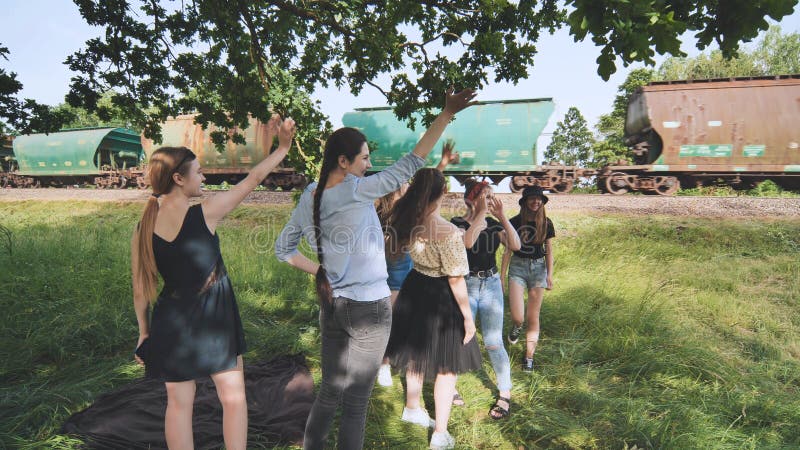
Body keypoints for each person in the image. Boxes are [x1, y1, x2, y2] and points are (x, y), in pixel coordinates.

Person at [274, 89, 477, 450]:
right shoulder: (356, 191)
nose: (369, 164)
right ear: (343, 161)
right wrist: (446, 113)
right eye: (364, 158)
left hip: (332, 306)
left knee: (329, 392)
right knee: (355, 404)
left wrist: (321, 270)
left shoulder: (310, 196)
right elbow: (414, 160)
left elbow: (283, 250)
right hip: (369, 308)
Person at [131, 115, 296, 450]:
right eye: (197, 171)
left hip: (171, 322)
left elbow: (140, 289)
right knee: (233, 399)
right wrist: (282, 149)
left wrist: (143, 333)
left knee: (179, 405)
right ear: (178, 178)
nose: (203, 175)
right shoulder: (204, 212)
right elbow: (253, 179)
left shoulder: (143, 226)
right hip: (214, 318)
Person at [385, 168, 482, 450]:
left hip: (415, 286)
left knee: (415, 353)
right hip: (440, 294)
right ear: (441, 194)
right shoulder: (449, 232)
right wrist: (468, 318)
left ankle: (412, 408)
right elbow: (455, 278)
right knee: (447, 366)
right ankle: (440, 434)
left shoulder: (408, 221)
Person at [375, 140, 459, 388]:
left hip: (411, 272)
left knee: (407, 322)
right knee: (389, 322)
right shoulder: (387, 210)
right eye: (401, 181)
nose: (406, 184)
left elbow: (427, 187)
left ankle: (400, 362)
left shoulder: (411, 206)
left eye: (407, 182)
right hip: (392, 274)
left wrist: (442, 164)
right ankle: (383, 364)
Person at [450, 179, 521, 419]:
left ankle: (505, 394)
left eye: (492, 197)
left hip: (490, 285)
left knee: (493, 341)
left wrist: (502, 217)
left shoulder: (493, 224)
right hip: (466, 284)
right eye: (487, 197)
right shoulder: (456, 224)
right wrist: (480, 212)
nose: (491, 201)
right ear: (472, 198)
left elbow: (516, 244)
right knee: (461, 337)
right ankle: (450, 386)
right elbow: (468, 242)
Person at [500, 185, 555, 372]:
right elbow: (508, 250)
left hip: (539, 269)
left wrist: (550, 275)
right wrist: (501, 277)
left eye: (539, 199)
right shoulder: (515, 222)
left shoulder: (547, 223)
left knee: (533, 316)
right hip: (518, 268)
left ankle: (529, 358)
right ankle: (516, 327)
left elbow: (549, 252)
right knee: (518, 316)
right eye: (532, 198)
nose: (536, 201)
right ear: (524, 202)